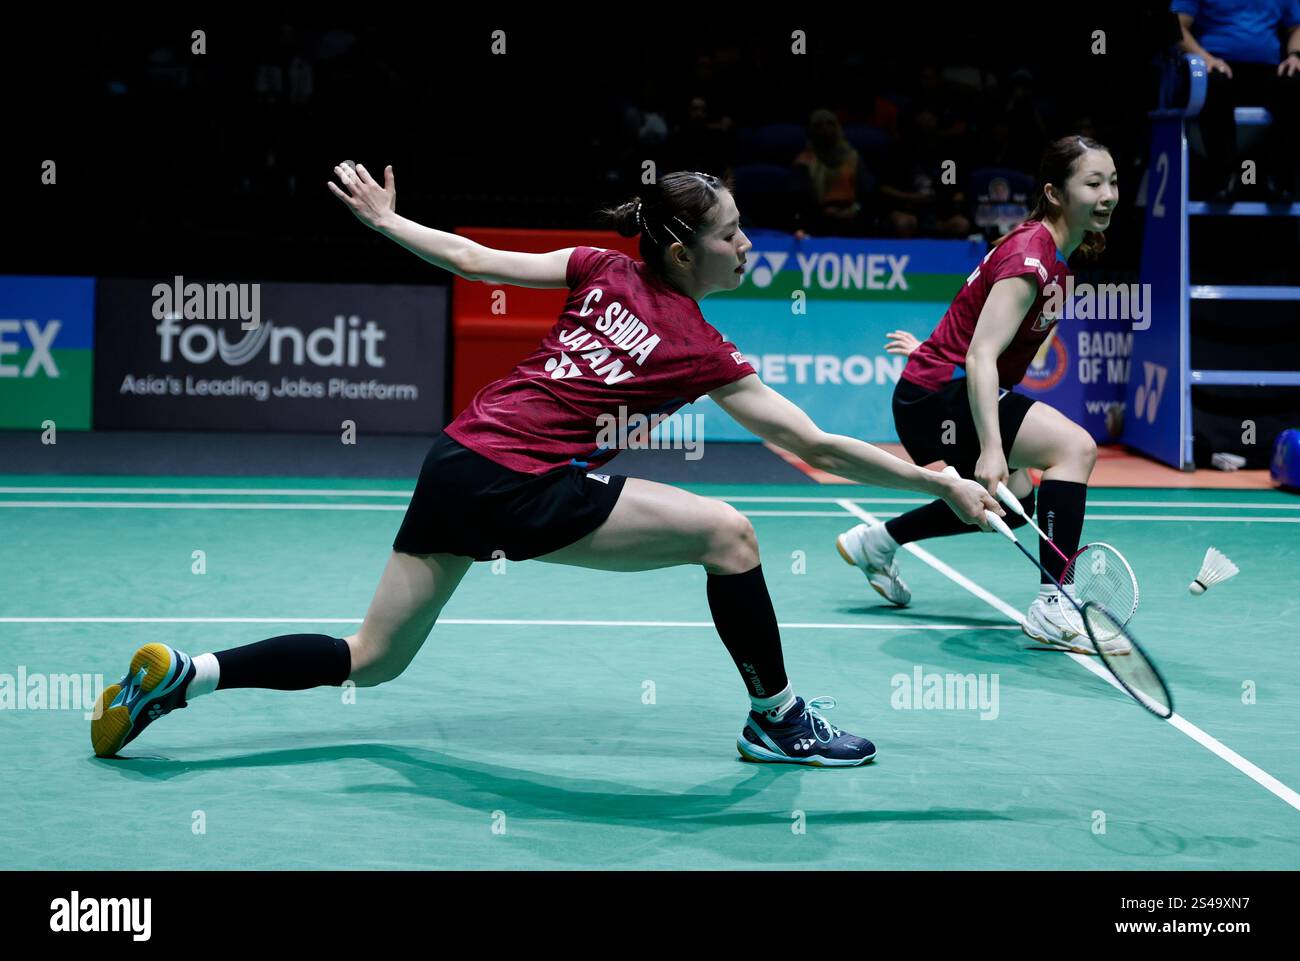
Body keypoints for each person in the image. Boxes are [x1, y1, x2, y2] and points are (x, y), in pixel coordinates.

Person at [90, 167, 1002, 767]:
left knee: (370, 659)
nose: (748, 245)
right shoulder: (695, 344)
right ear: (683, 248)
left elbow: (473, 258)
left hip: (456, 458)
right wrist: (940, 481)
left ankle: (186, 673)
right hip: (519, 478)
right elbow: (813, 446)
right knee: (730, 533)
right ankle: (777, 717)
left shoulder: (603, 267)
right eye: (732, 234)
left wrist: (386, 219)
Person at [836, 136, 1129, 655]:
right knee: (1075, 448)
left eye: (1112, 181)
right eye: (1093, 183)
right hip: (940, 396)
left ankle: (876, 542)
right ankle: (1054, 603)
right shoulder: (1030, 256)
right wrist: (993, 447)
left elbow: (976, 332)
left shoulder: (1059, 259)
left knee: (1010, 509)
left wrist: (931, 352)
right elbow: (980, 356)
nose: (1108, 194)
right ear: (1055, 193)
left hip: (937, 386)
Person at [1173, 0, 1300, 200]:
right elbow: (1176, 25)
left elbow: (1296, 28)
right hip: (1215, 65)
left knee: (1294, 84)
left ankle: (1276, 179)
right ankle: (1223, 178)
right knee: (1215, 83)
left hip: (1267, 69)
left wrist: (1295, 55)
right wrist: (1205, 58)